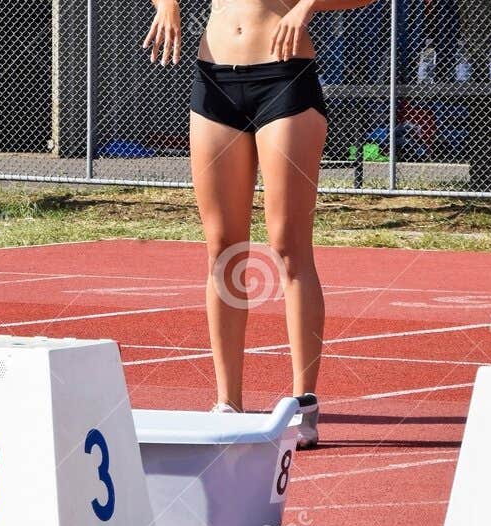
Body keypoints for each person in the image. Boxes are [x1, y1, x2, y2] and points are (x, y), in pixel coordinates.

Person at [144, 0, 378, 451]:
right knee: (223, 248)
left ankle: (303, 399)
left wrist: (304, 9)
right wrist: (167, 4)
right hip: (214, 79)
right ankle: (228, 400)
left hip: (284, 77)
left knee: (288, 246)